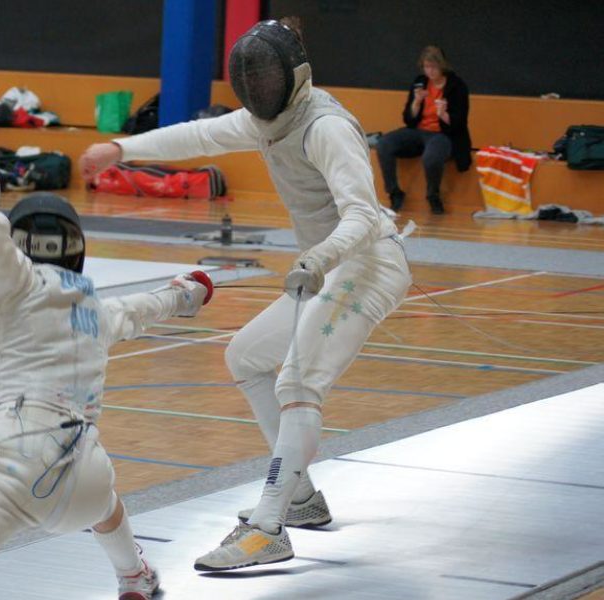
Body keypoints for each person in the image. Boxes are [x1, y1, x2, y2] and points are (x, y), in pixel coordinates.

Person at [81, 20, 412, 571]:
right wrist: (121, 147)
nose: (256, 87)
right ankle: (301, 497)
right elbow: (197, 136)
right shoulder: (267, 121)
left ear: (293, 76)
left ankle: (268, 526)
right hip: (326, 270)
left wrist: (316, 259)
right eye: (249, 77)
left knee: (298, 381)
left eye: (263, 76)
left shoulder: (325, 127)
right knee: (247, 356)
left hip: (368, 265)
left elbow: (362, 214)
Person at [0, 89, 213, 600]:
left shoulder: (14, 283)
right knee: (105, 505)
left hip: (9, 461)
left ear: (22, 246)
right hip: (81, 467)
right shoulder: (95, 309)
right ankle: (135, 576)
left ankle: (134, 576)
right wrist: (189, 290)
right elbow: (150, 307)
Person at [375, 46, 471, 215]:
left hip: (443, 134)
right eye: (427, 67)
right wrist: (416, 102)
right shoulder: (420, 82)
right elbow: (408, 119)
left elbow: (459, 124)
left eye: (433, 67)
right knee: (383, 144)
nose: (430, 71)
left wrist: (443, 114)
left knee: (432, 157)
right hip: (418, 131)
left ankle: (433, 195)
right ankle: (394, 192)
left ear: (442, 66)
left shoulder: (457, 86)